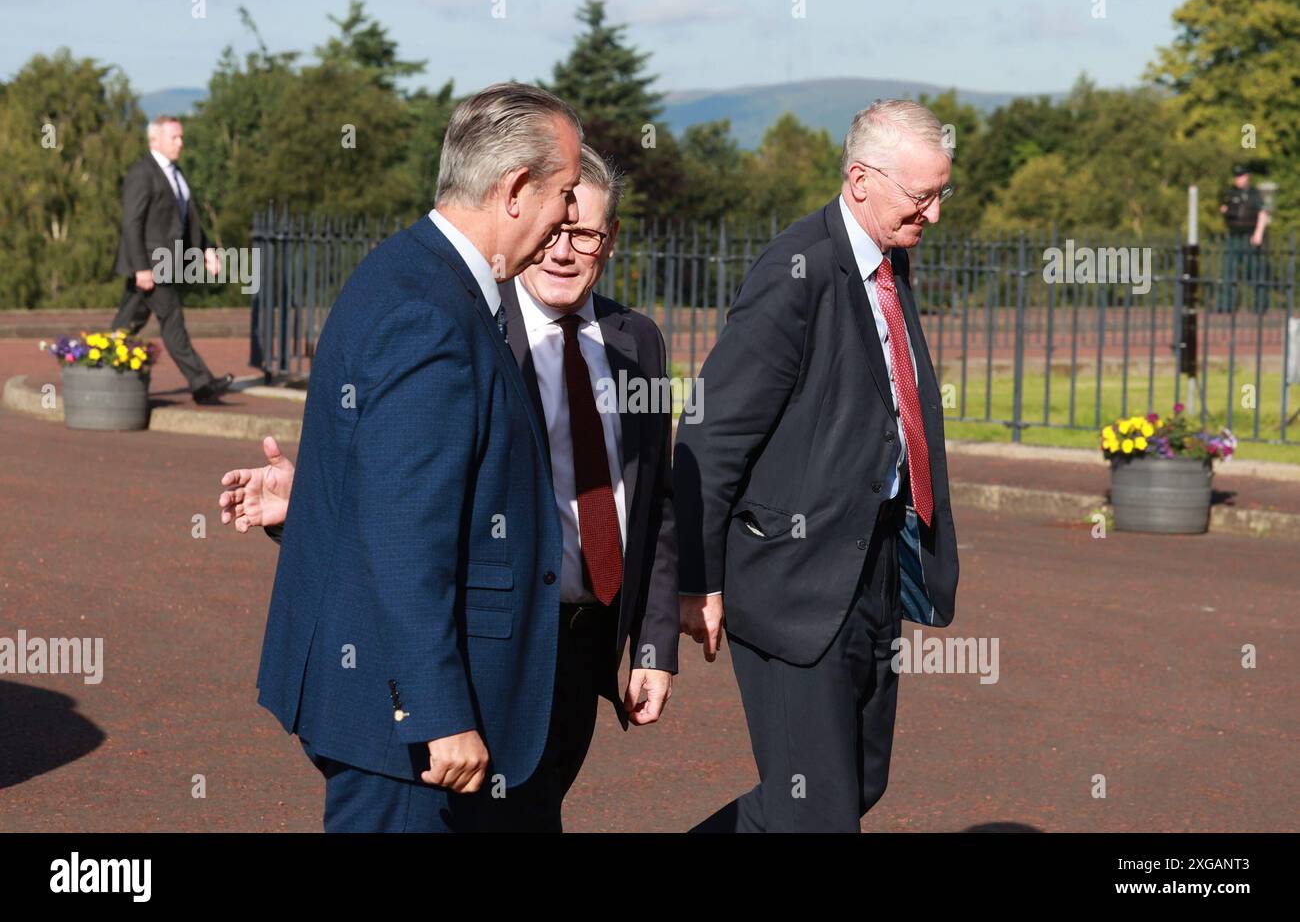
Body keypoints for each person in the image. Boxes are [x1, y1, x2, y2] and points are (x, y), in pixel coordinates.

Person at [223, 145, 679, 830]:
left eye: (582, 233)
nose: (561, 248)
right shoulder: (466, 323)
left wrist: (652, 641)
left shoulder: (634, 341)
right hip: (475, 660)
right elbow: (406, 514)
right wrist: (315, 503)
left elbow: (654, 503)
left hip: (574, 656)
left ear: (609, 242)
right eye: (555, 225)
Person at [252, 82, 581, 832]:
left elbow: (384, 486)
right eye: (564, 193)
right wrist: (434, 710)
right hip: (404, 732)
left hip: (391, 709)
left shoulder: (416, 275)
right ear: (516, 189)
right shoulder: (428, 312)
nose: (568, 216)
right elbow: (404, 534)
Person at [674, 99, 961, 832]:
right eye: (920, 195)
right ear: (861, 179)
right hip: (791, 582)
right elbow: (711, 432)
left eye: (941, 193)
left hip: (872, 572)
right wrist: (696, 578)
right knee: (819, 813)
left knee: (852, 786)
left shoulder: (889, 262)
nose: (933, 212)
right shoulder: (796, 269)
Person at [111, 115, 233, 403]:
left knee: (128, 321)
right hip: (152, 266)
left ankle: (97, 366)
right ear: (155, 140)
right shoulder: (143, 172)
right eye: (174, 137)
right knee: (172, 321)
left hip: (166, 264)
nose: (181, 142)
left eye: (181, 137)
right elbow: (132, 223)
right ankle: (201, 383)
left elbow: (189, 219)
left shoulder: (175, 173)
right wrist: (141, 267)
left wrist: (206, 251)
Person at [1218, 163, 1271, 314]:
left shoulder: (1254, 194)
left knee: (1254, 271)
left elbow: (1263, 213)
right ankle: (1226, 305)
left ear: (1248, 177)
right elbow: (1224, 208)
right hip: (1233, 236)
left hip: (1249, 236)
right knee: (1229, 271)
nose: (1238, 179)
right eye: (1236, 176)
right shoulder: (1230, 192)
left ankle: (1259, 306)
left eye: (1240, 176)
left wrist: (1258, 234)